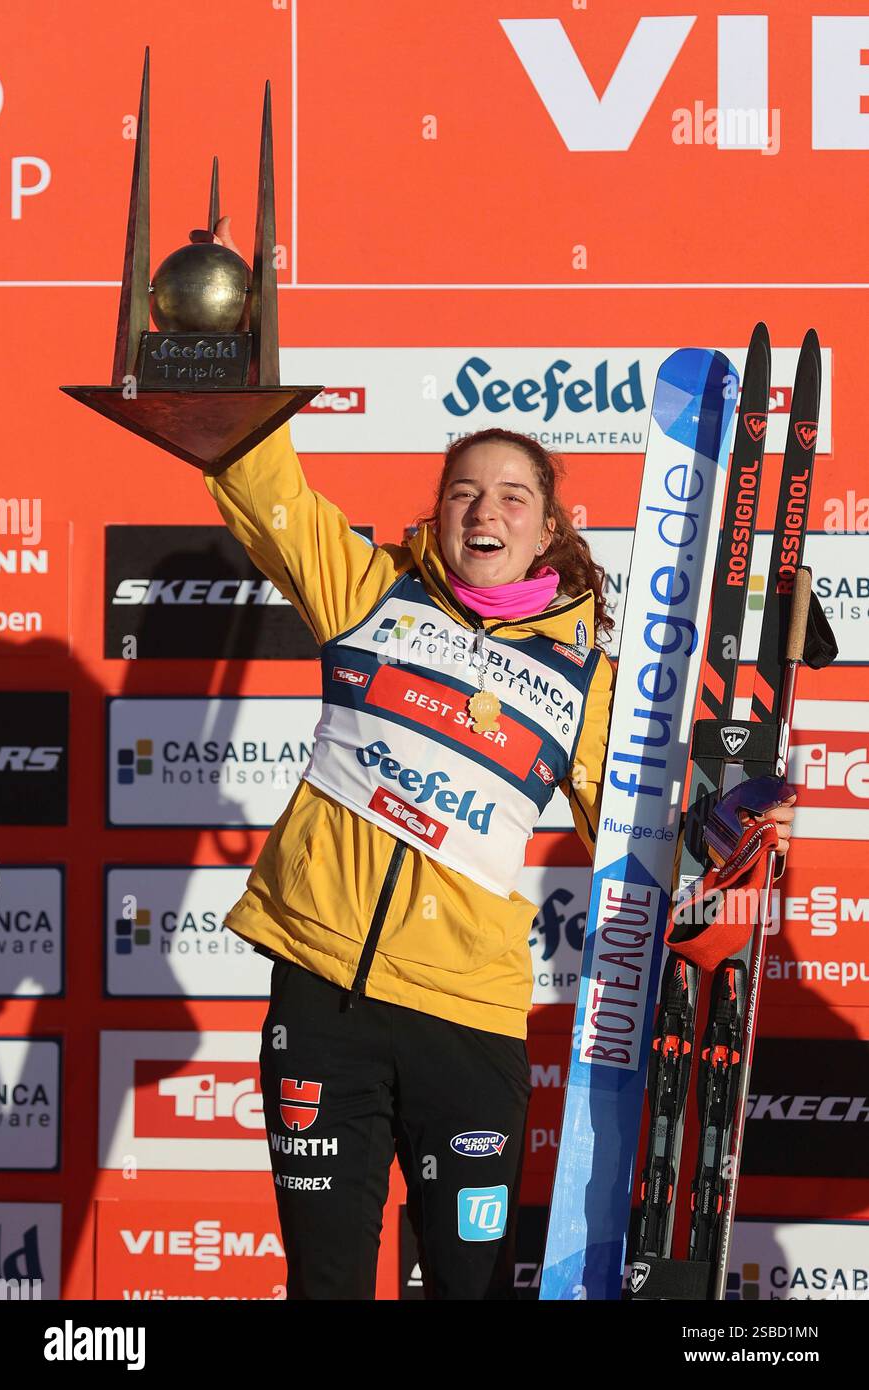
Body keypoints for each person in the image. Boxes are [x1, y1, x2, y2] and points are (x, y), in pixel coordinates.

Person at [200, 216, 796, 1300]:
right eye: (464, 492)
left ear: (546, 528)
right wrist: (214, 370)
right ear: (438, 514)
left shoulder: (584, 677)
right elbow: (269, 496)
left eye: (511, 496)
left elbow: (642, 830)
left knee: (466, 1289)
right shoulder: (370, 591)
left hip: (466, 1018)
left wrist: (729, 824)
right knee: (325, 1284)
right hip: (323, 996)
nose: (485, 510)